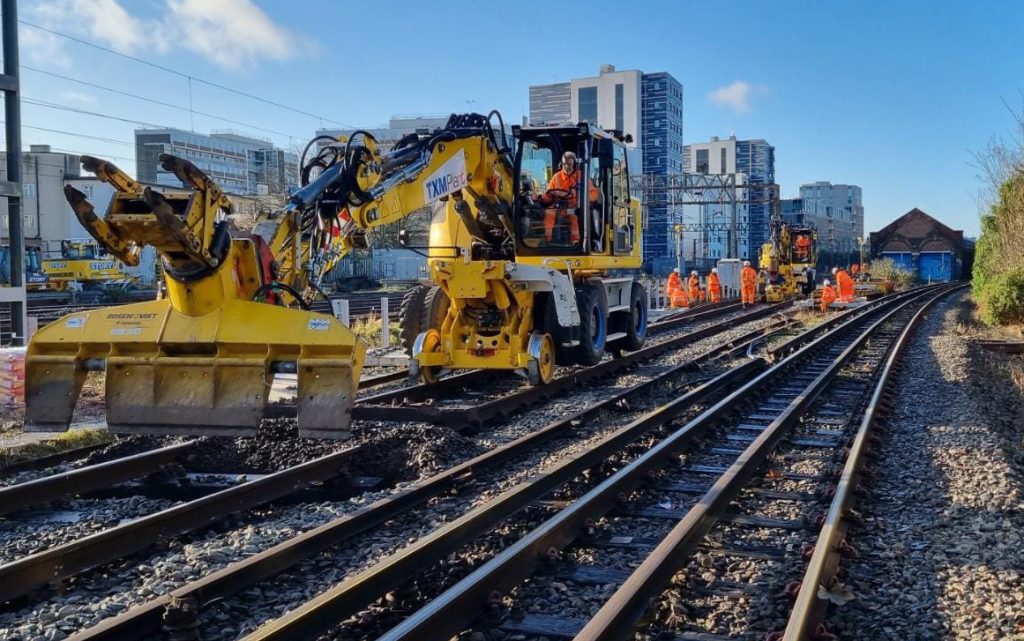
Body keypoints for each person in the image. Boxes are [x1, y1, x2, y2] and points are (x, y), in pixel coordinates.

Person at [541, 151, 598, 245]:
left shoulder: (581, 176)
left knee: (574, 215)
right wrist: (541, 198)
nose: (567, 167)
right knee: (549, 212)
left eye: (570, 164)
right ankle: (548, 240)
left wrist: (580, 198)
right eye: (565, 164)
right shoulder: (556, 177)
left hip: (574, 207)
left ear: (575, 165)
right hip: (559, 206)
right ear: (561, 164)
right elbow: (548, 194)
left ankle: (576, 242)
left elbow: (594, 194)